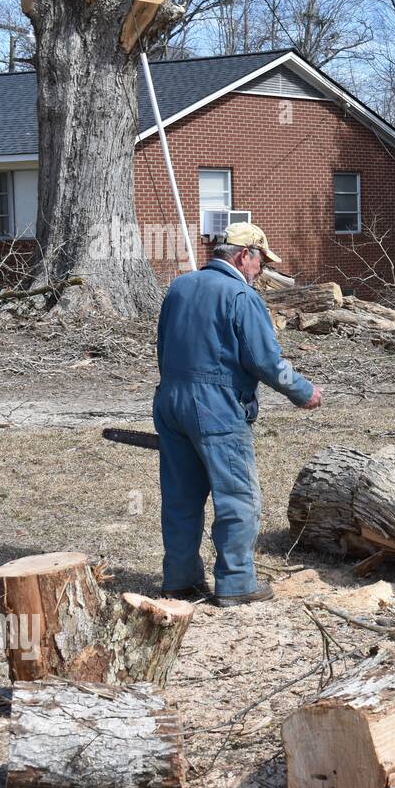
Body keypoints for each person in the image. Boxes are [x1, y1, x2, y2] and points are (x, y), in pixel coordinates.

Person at [154, 222, 323, 606]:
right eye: (260, 260)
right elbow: (265, 360)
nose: (261, 269)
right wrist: (304, 392)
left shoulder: (180, 286)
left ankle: (179, 580)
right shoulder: (239, 296)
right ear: (243, 255)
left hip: (170, 399)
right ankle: (236, 582)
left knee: (181, 497)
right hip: (216, 407)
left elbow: (163, 346)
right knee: (237, 496)